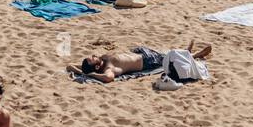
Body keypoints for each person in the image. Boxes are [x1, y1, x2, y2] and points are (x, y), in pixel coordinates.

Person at [69, 43, 212, 82]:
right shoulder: (109, 68)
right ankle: (194, 55)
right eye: (93, 58)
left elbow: (69, 65)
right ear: (97, 66)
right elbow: (108, 78)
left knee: (166, 53)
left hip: (139, 52)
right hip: (146, 61)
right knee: (170, 58)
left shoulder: (101, 62)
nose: (94, 54)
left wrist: (82, 70)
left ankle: (188, 53)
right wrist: (92, 74)